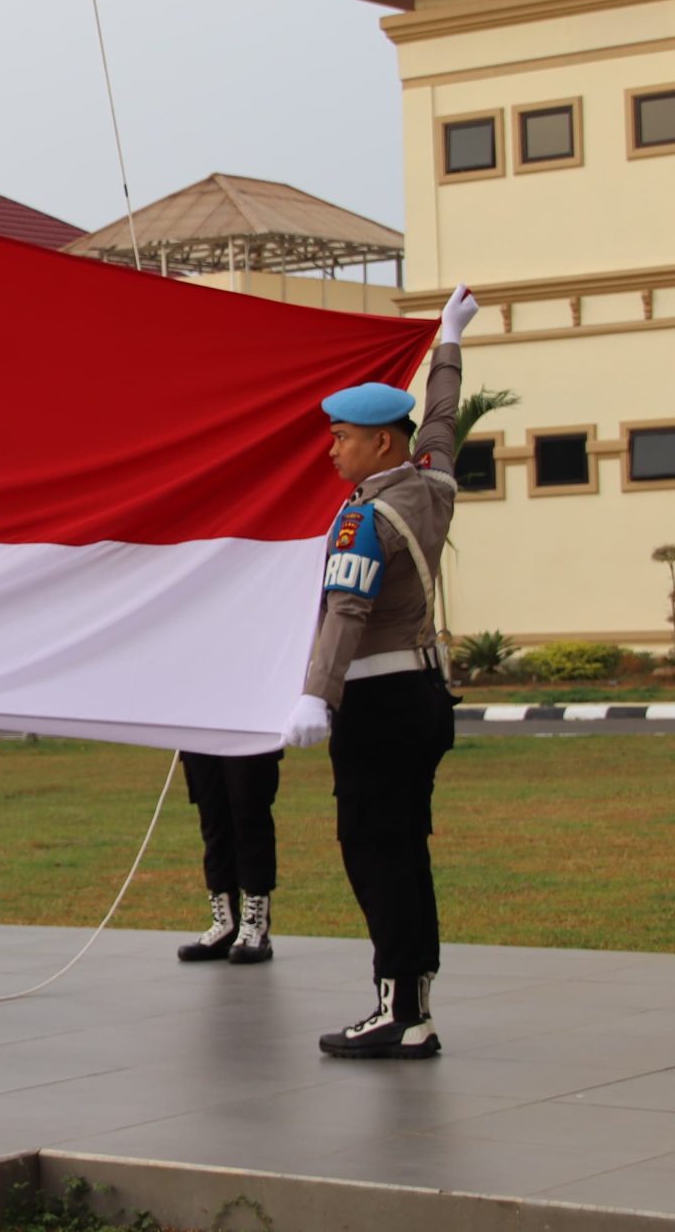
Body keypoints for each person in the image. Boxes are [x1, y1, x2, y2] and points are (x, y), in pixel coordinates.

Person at [285, 285, 478, 1061]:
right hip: (425, 695)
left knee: (375, 847)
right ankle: (414, 1003)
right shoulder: (431, 485)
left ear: (380, 446)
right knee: (404, 845)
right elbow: (440, 418)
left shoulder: (365, 518)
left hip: (379, 700)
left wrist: (313, 694)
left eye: (342, 437)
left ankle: (397, 1008)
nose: (332, 449)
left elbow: (347, 612)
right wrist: (450, 342)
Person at [174, 749, 284, 964]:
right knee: (212, 817)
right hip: (201, 728)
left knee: (250, 815)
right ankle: (225, 922)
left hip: (248, 731)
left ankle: (256, 924)